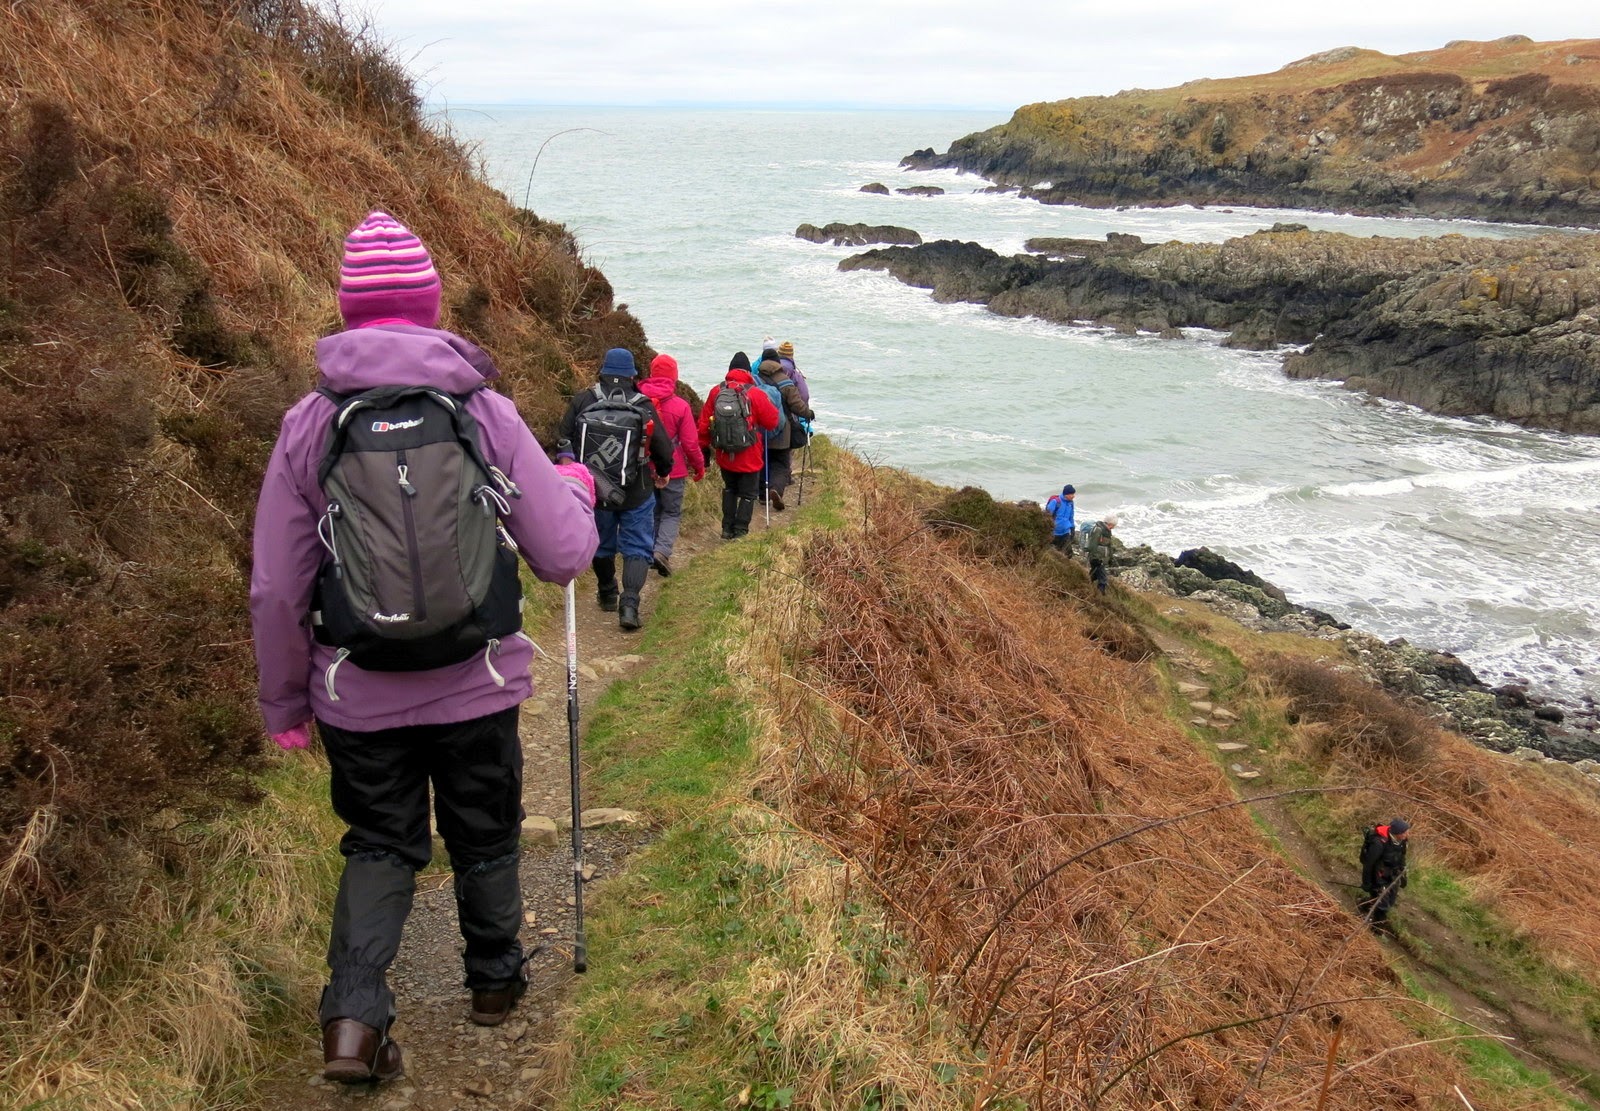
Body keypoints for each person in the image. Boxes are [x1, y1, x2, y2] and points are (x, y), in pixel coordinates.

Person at [250, 210, 599, 1084]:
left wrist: (284, 702)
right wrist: (573, 486)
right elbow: (564, 553)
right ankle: (495, 983)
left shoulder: (309, 425)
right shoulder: (481, 411)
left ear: (348, 311)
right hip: (476, 681)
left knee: (379, 841)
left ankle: (353, 1022)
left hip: (357, 689)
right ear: (431, 305)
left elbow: (277, 587)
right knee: (485, 827)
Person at [559, 348, 674, 631]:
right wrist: (663, 472)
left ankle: (607, 592)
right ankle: (630, 605)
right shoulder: (643, 404)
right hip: (637, 489)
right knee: (637, 546)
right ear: (633, 375)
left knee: (601, 542)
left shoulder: (584, 400)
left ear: (602, 372)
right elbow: (663, 446)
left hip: (596, 488)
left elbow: (563, 438)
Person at [636, 352, 705, 577]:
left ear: (652, 373)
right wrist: (699, 466)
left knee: (651, 511)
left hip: (643, 468)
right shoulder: (680, 406)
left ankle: (649, 551)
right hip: (673, 470)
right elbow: (690, 443)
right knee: (671, 512)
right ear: (674, 376)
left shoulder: (637, 402)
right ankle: (662, 552)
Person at [698, 352, 780, 539]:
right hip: (749, 454)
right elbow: (772, 421)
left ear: (729, 371)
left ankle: (726, 528)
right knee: (748, 494)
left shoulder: (716, 391)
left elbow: (703, 425)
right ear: (748, 372)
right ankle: (741, 531)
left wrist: (703, 449)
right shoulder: (755, 393)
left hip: (724, 452)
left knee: (730, 489)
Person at [755, 343, 813, 512]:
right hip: (781, 431)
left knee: (762, 461)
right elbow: (797, 405)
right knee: (780, 464)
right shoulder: (786, 382)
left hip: (759, 430)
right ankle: (776, 489)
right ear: (777, 362)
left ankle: (762, 495)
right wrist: (809, 413)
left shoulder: (754, 379)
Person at [1359, 817, 1411, 934]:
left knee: (1390, 900)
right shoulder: (1379, 843)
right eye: (1405, 832)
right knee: (1383, 904)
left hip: (1392, 874)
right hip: (1378, 875)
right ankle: (1377, 929)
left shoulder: (1402, 841)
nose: (1407, 834)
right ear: (1397, 833)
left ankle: (1363, 904)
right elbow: (1369, 864)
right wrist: (1366, 883)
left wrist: (1403, 875)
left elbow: (1402, 857)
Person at [1084, 514, 1118, 594]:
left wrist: (1111, 559)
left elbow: (1108, 547)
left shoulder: (1107, 532)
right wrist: (1095, 558)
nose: (1113, 527)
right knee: (1103, 579)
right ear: (1110, 523)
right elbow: (1092, 545)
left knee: (1094, 575)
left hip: (1101, 559)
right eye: (1113, 525)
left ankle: (1086, 586)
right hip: (1097, 559)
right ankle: (1101, 595)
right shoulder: (1098, 530)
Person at [1044, 484, 1076, 553]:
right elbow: (1047, 516)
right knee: (1054, 553)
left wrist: (1072, 528)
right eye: (1071, 494)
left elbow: (1071, 517)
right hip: (1054, 533)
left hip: (1065, 532)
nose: (1073, 496)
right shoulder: (1055, 502)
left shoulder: (1071, 503)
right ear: (1066, 494)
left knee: (1069, 553)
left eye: (1073, 494)